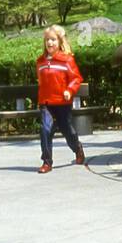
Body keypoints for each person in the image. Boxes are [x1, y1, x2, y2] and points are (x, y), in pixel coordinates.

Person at [35, 25, 85, 173]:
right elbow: (41, 81)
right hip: (46, 102)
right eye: (47, 40)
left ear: (59, 41)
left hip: (62, 103)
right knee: (45, 129)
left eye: (53, 40)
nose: (50, 43)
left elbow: (76, 78)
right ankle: (47, 162)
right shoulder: (41, 62)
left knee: (67, 130)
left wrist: (69, 90)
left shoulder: (67, 60)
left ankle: (77, 148)